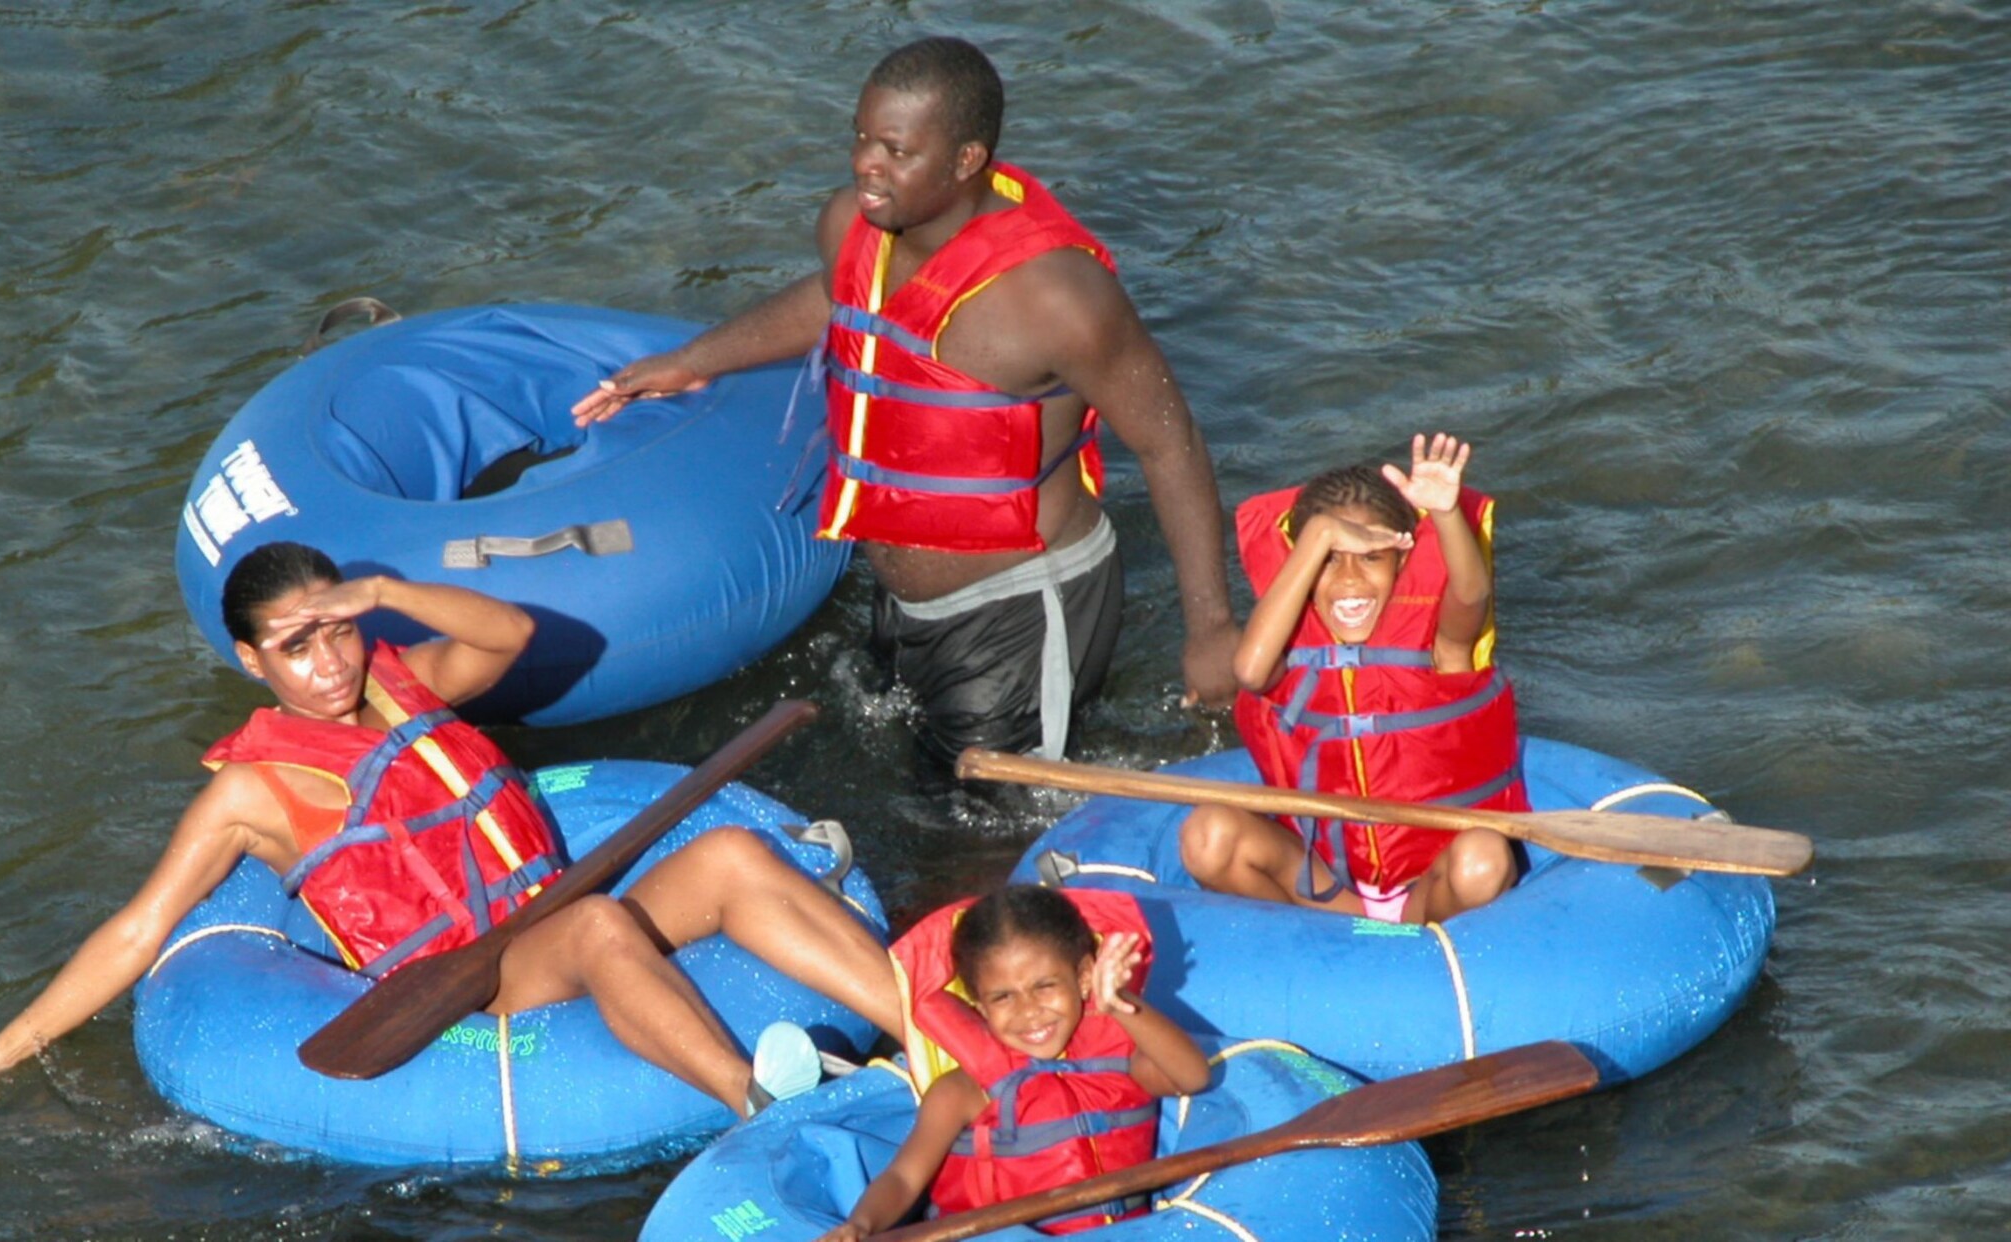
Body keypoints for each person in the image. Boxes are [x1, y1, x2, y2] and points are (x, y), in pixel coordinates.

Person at [0, 542, 902, 1117]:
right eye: (295, 648)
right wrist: (0, 1048)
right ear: (252, 665)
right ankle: (762, 1110)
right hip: (476, 980)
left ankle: (929, 1031)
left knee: (724, 854)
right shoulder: (249, 796)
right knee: (600, 931)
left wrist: (379, 594)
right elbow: (138, 928)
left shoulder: (400, 680)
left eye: (336, 629)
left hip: (551, 909)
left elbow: (508, 635)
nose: (327, 664)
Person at [570, 36, 1239, 768]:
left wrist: (1209, 629)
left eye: (895, 149)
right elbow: (837, 301)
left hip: (1018, 607)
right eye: (860, 137)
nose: (866, 163)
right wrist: (692, 361)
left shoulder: (1058, 298)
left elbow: (1169, 443)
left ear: (966, 160)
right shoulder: (850, 224)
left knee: (992, 833)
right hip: (901, 600)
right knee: (917, 792)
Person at [1179, 434, 1527, 924]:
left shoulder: (1442, 647)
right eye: (1328, 559)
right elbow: (1249, 671)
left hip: (1429, 891)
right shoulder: (1288, 644)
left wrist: (1446, 514)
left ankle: (1413, 960)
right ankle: (1310, 950)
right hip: (1324, 885)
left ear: (1402, 560)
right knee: (1206, 835)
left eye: (1369, 557)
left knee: (1484, 859)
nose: (1348, 581)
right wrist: (1320, 532)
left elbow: (1470, 595)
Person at [818, 886, 1208, 1239]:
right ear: (979, 1005)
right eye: (1004, 997)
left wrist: (1122, 1005)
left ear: (1085, 977)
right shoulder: (962, 1092)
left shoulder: (1122, 1063)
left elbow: (1191, 1076)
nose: (1029, 1012)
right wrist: (861, 1224)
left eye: (1045, 986)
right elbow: (904, 1177)